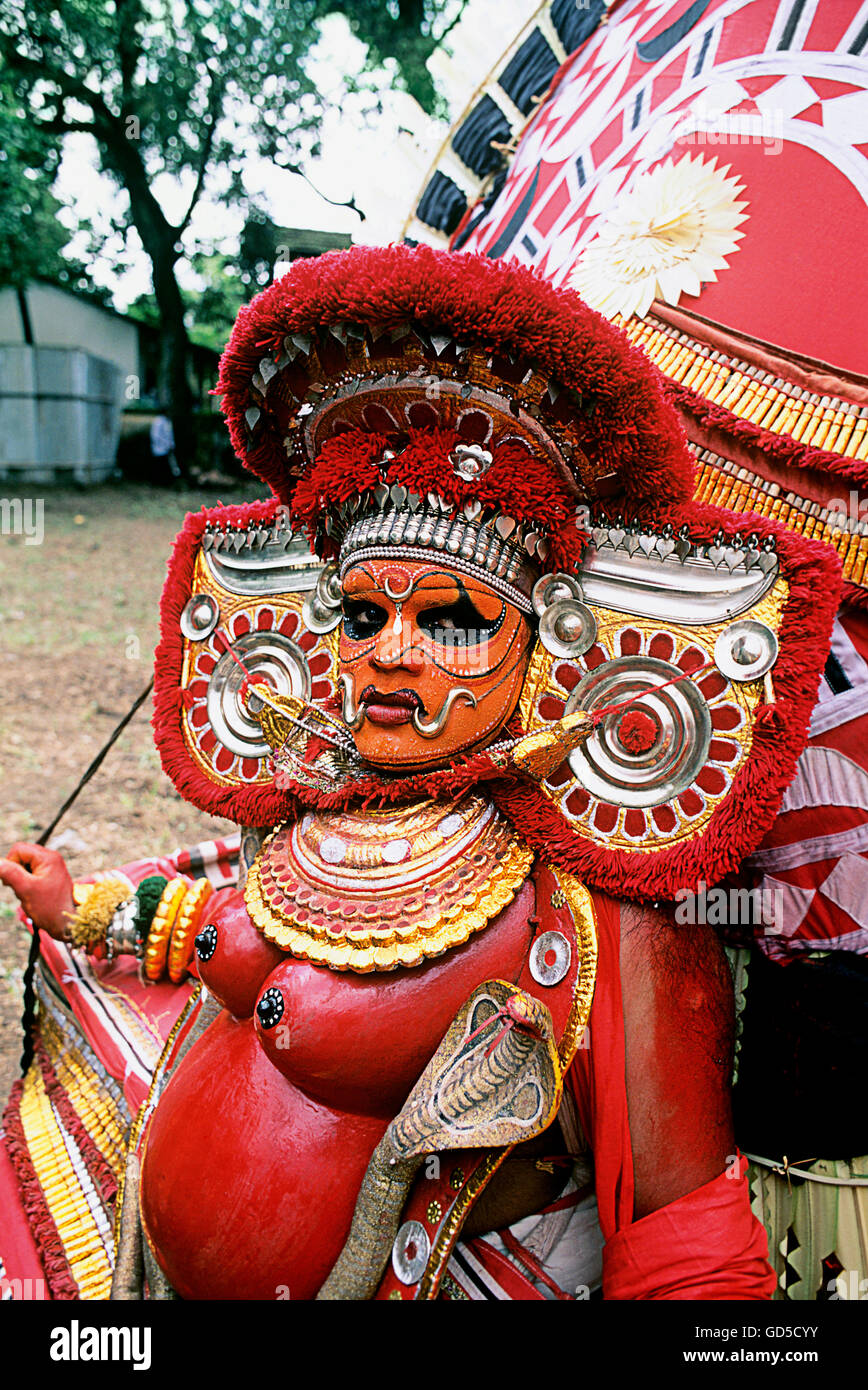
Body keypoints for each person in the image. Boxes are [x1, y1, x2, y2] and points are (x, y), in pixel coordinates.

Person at [0, 245, 839, 1300]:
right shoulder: (313, 801)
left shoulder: (597, 904)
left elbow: (683, 1238)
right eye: (362, 613)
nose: (391, 651)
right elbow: (221, 928)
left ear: (545, 642)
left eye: (449, 616)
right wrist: (82, 909)